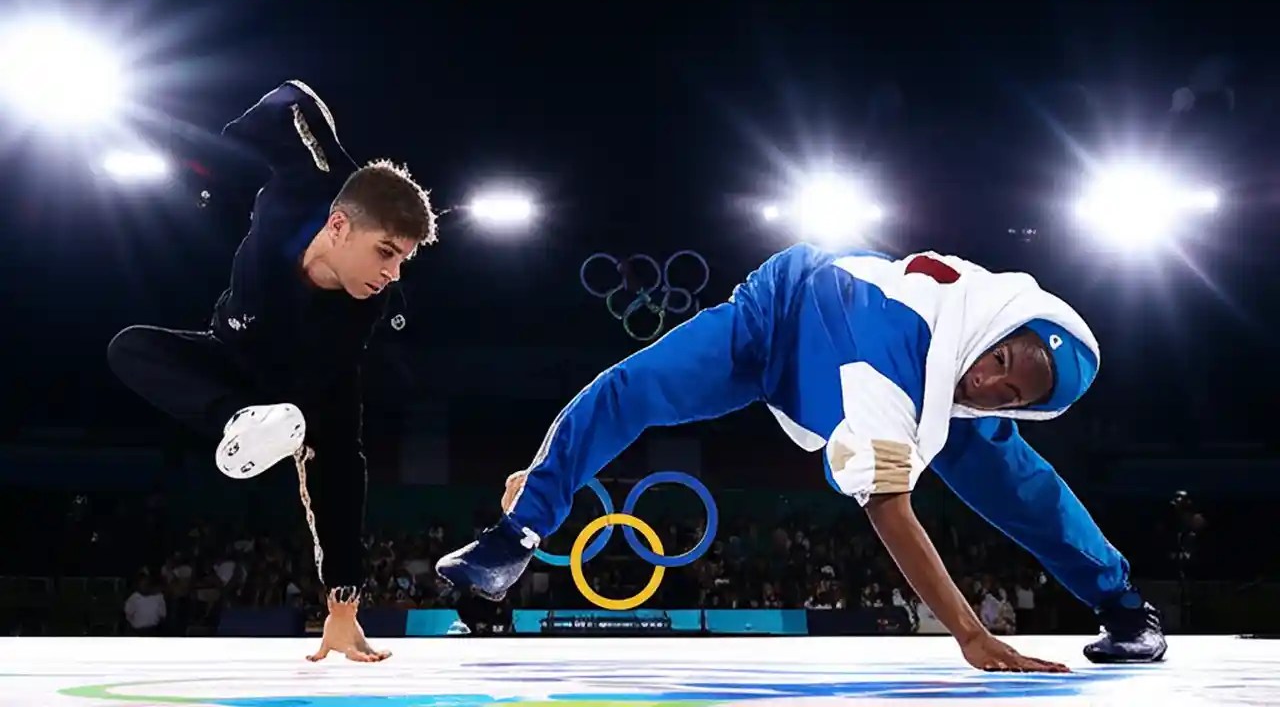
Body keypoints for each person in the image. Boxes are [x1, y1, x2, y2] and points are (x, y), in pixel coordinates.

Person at [439, 243, 1166, 672]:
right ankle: (511, 540)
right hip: (774, 322)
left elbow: (976, 348)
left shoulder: (985, 321)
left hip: (870, 342)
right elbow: (889, 510)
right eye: (1003, 361)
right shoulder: (889, 364)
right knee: (628, 389)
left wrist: (983, 400)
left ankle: (1128, 610)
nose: (992, 382)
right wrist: (971, 636)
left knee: (1021, 483)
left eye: (1013, 394)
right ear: (999, 330)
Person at [108, 80, 438, 662]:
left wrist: (342, 608)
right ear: (339, 226)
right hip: (227, 361)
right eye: (386, 251)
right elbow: (294, 96)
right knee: (130, 346)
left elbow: (341, 466)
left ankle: (267, 424)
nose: (392, 272)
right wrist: (224, 146)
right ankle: (240, 421)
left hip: (300, 390)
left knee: (338, 452)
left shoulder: (366, 314)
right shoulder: (315, 183)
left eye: (403, 260)